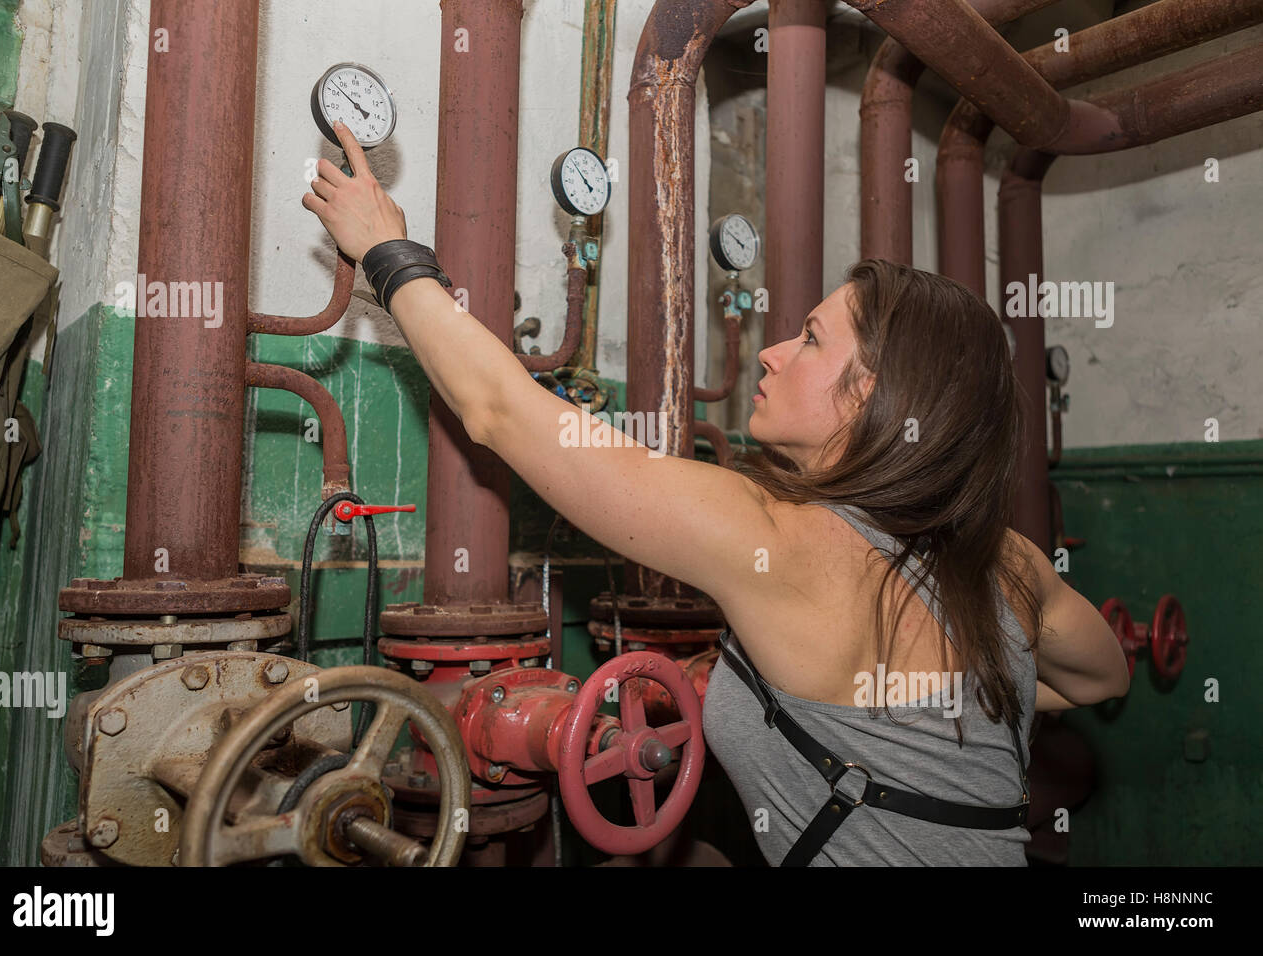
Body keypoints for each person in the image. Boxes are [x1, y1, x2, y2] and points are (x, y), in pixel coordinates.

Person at [303, 120, 1131, 866]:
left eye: (809, 339)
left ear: (869, 397)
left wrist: (387, 252)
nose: (771, 353)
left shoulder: (777, 541)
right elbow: (1103, 681)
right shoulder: (1012, 564)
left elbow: (500, 413)